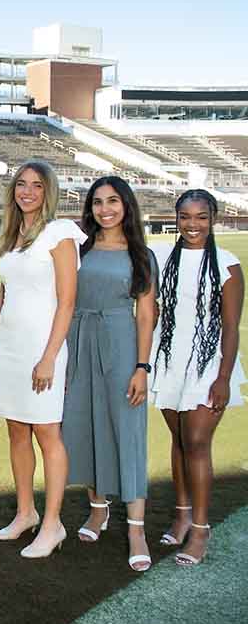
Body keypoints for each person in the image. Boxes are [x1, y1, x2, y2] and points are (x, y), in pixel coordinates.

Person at [0, 160, 85, 559]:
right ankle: (25, 512)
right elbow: (5, 293)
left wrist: (48, 357)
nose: (27, 191)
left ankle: (52, 523)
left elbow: (67, 302)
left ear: (49, 192)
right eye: (22, 184)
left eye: (37, 186)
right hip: (10, 348)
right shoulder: (14, 235)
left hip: (42, 349)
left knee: (47, 434)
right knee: (16, 431)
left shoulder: (59, 233)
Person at [62, 177, 157, 572]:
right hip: (78, 343)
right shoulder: (78, 248)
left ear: (126, 205)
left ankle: (136, 529)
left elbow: (147, 314)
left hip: (121, 344)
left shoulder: (141, 254)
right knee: (84, 429)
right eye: (98, 202)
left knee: (127, 433)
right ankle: (98, 510)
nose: (105, 209)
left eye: (113, 201)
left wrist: (141, 366)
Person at [150, 189, 245, 566]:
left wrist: (222, 378)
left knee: (197, 441)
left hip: (208, 365)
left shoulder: (227, 263)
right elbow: (153, 311)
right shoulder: (161, 256)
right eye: (186, 216)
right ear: (176, 217)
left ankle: (201, 531)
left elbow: (232, 328)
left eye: (201, 216)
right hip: (169, 360)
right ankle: (182, 514)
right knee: (178, 440)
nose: (193, 224)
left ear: (214, 218)